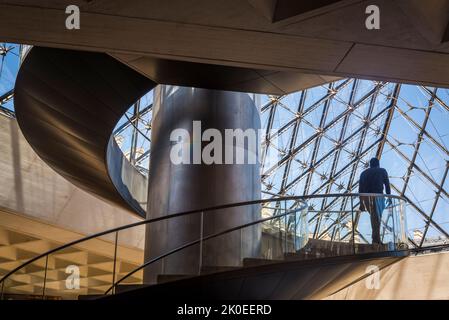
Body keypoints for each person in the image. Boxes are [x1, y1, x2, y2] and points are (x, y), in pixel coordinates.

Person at [358, 158, 391, 245]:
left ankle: (376, 239)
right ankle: (376, 240)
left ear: (370, 164)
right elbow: (387, 185)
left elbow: (360, 190)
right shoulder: (382, 171)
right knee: (376, 218)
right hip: (378, 196)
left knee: (374, 218)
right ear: (378, 164)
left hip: (366, 199)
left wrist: (361, 203)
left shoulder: (363, 173)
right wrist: (389, 197)